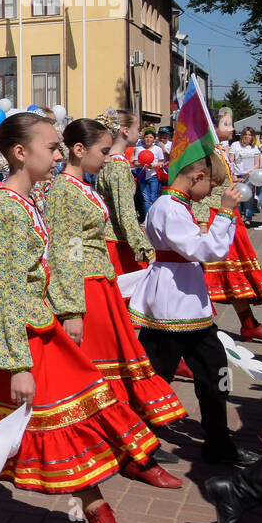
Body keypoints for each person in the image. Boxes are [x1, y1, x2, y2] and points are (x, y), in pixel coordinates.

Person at [0, 110, 165, 523]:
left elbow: (56, 260)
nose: (59, 153)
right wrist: (16, 362)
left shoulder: (31, 201)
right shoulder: (5, 211)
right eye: (52, 146)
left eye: (61, 147)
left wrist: (66, 307)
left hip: (31, 329)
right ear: (21, 153)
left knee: (71, 421)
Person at [42, 118, 187, 488]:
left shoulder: (80, 185)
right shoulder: (64, 190)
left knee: (119, 364)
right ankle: (119, 445)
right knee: (102, 369)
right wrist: (72, 308)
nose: (108, 158)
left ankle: (128, 442)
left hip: (100, 285)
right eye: (103, 151)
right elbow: (65, 253)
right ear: (79, 150)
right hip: (86, 289)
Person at [129, 139, 262, 465]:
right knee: (156, 373)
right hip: (170, 304)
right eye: (211, 184)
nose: (211, 192)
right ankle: (138, 441)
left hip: (190, 303)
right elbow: (206, 251)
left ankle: (218, 441)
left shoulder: (178, 206)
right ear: (196, 177)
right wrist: (226, 214)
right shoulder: (168, 207)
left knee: (214, 370)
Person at [193, 110, 262, 342]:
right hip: (212, 216)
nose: (232, 128)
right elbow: (199, 190)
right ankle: (201, 331)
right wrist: (201, 221)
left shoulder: (221, 150)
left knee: (234, 274)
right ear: (212, 127)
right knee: (212, 276)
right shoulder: (205, 152)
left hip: (229, 216)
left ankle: (248, 324)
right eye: (226, 124)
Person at [94, 109, 154, 273]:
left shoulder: (107, 162)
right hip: (118, 242)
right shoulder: (118, 166)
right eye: (137, 129)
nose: (140, 133)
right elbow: (125, 212)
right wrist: (144, 248)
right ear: (125, 131)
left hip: (111, 237)